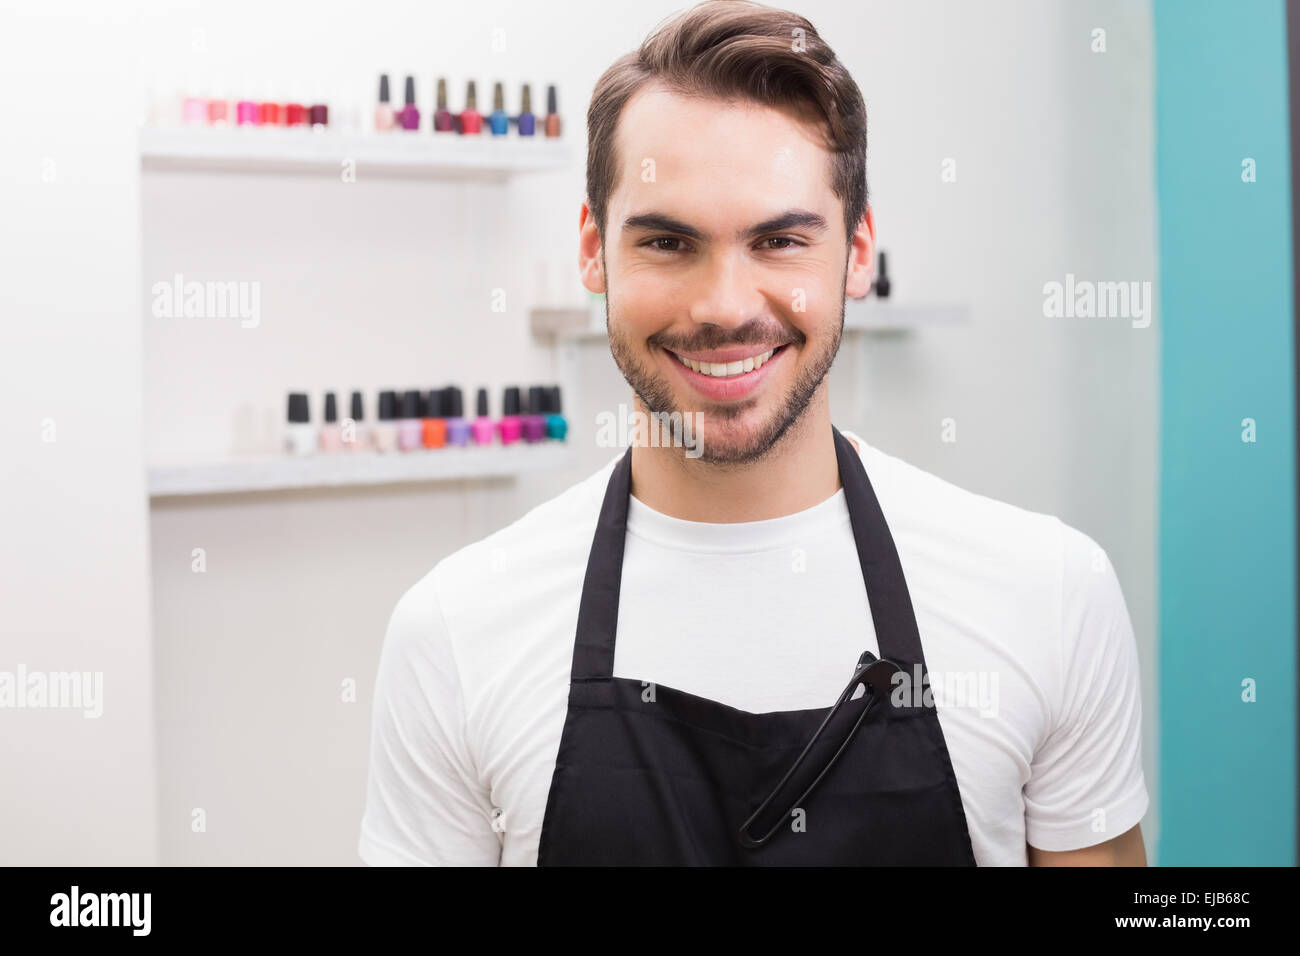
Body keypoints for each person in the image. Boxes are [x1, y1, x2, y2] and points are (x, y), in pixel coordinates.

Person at [358, 0, 1148, 866]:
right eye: (667, 242)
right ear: (594, 251)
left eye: (778, 240)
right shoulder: (456, 631)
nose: (725, 307)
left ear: (856, 253)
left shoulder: (1050, 594)